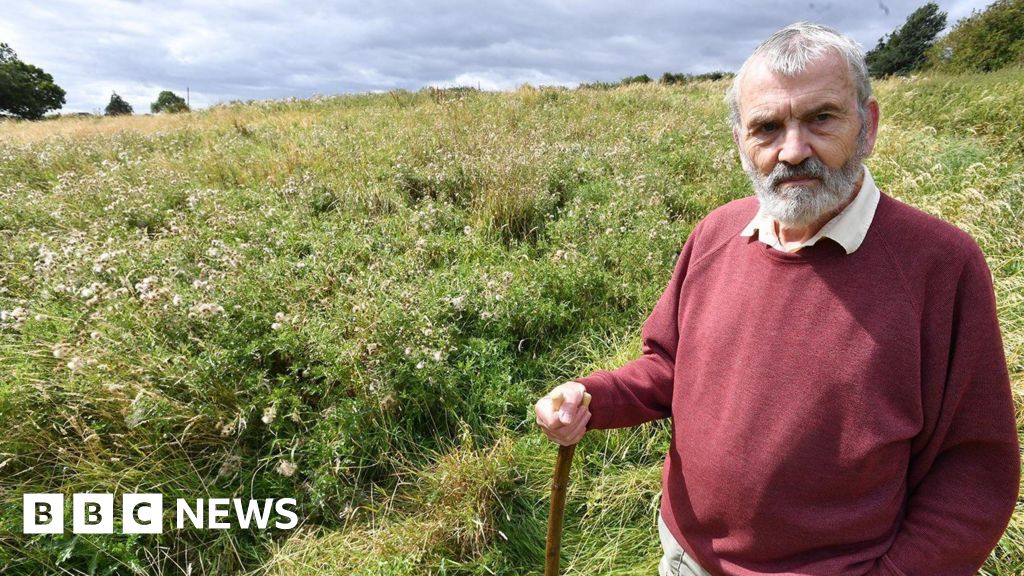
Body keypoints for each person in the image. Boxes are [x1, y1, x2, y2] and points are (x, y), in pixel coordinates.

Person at [534, 22, 1019, 576]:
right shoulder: (717, 234)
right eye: (767, 127)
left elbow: (973, 471)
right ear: (741, 140)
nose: (793, 151)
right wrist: (588, 396)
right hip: (687, 556)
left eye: (821, 118)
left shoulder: (941, 264)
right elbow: (668, 365)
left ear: (868, 125)